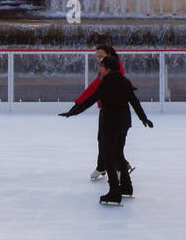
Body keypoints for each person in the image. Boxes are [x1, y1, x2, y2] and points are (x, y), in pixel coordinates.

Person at [59, 55, 153, 206]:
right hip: (124, 124)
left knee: (109, 156)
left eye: (101, 67)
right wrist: (144, 119)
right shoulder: (125, 81)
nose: (99, 70)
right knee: (118, 154)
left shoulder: (106, 82)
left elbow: (90, 100)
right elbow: (135, 102)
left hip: (110, 124)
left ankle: (115, 192)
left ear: (108, 69)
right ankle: (126, 187)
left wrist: (73, 112)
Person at [75, 44, 134, 183]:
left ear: (109, 54)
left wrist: (79, 102)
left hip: (113, 112)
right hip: (108, 110)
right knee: (104, 140)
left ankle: (120, 168)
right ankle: (106, 167)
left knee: (111, 143)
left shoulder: (112, 68)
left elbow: (96, 87)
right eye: (97, 57)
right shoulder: (106, 66)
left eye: (101, 56)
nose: (99, 59)